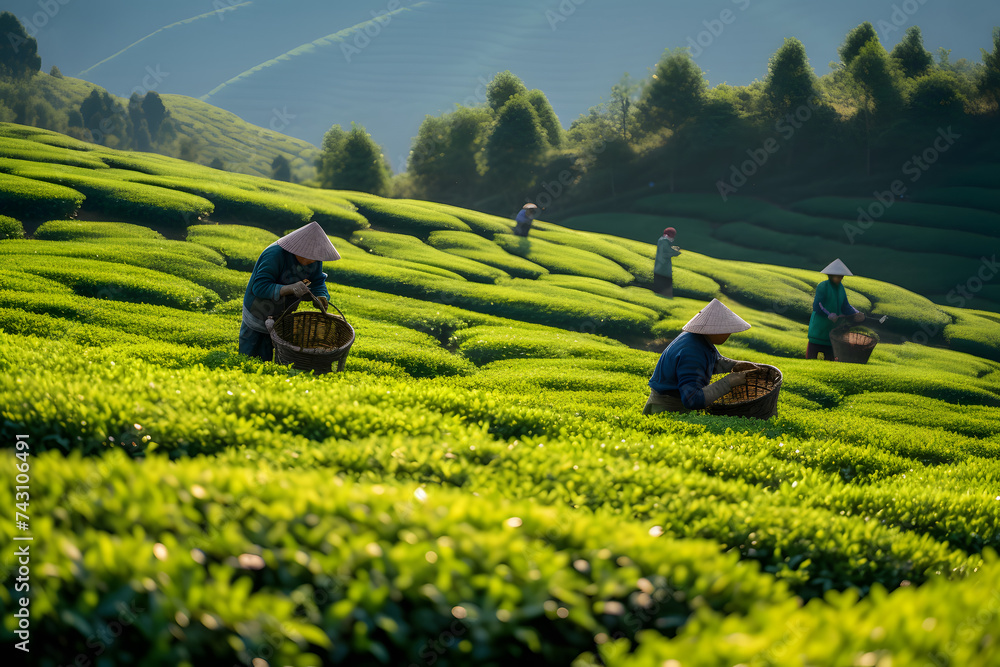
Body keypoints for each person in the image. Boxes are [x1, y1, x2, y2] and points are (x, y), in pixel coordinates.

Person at [239, 221, 341, 362]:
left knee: (274, 355)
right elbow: (260, 287)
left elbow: (318, 282)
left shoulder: (314, 260)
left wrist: (322, 296)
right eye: (309, 256)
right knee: (251, 354)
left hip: (281, 314)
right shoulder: (274, 255)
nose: (313, 261)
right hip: (258, 310)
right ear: (298, 249)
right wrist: (288, 289)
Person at [643, 298, 759, 415]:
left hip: (672, 405)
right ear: (714, 329)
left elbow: (714, 361)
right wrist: (729, 381)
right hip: (666, 409)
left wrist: (735, 365)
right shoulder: (692, 351)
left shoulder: (698, 339)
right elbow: (692, 400)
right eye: (727, 330)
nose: (729, 334)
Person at [807, 258, 865, 361]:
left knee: (830, 359)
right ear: (831, 275)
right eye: (837, 276)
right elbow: (817, 305)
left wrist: (856, 313)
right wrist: (829, 315)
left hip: (832, 333)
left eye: (841, 277)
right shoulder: (823, 286)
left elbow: (845, 306)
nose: (840, 279)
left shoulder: (841, 288)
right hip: (818, 330)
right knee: (811, 358)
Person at [653, 227, 681, 297]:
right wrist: (675, 253)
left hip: (661, 268)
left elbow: (666, 250)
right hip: (662, 269)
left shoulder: (663, 240)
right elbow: (665, 254)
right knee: (663, 287)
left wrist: (673, 250)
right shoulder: (664, 241)